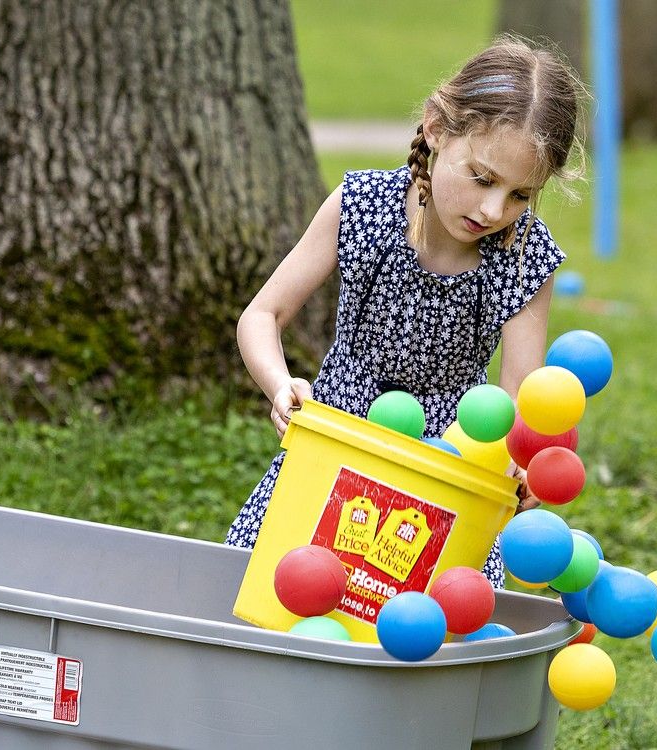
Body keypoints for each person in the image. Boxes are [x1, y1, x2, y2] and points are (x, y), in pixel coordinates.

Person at [226, 36, 586, 587]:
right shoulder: (362, 205)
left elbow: (520, 392)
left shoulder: (525, 255)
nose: (494, 210)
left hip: (449, 464)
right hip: (339, 443)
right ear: (437, 128)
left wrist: (521, 459)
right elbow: (262, 315)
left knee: (423, 619)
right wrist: (280, 385)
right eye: (483, 178)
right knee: (281, 591)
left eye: (520, 195)